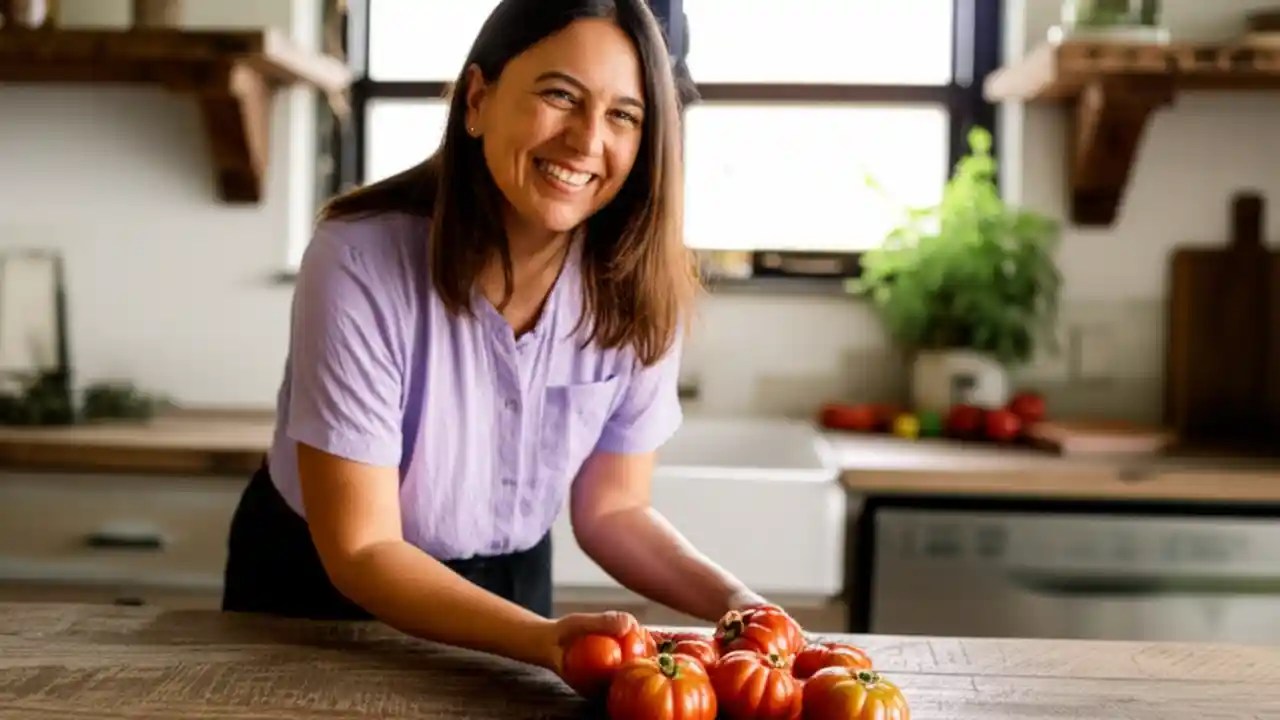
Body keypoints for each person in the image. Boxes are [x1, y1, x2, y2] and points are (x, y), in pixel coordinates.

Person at [221, 0, 769, 681]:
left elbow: (613, 508)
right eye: (560, 96)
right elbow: (362, 548)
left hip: (511, 590)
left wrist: (741, 607)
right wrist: (542, 642)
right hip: (320, 597)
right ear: (478, 99)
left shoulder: (635, 281)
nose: (586, 140)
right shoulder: (358, 259)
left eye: (624, 115)